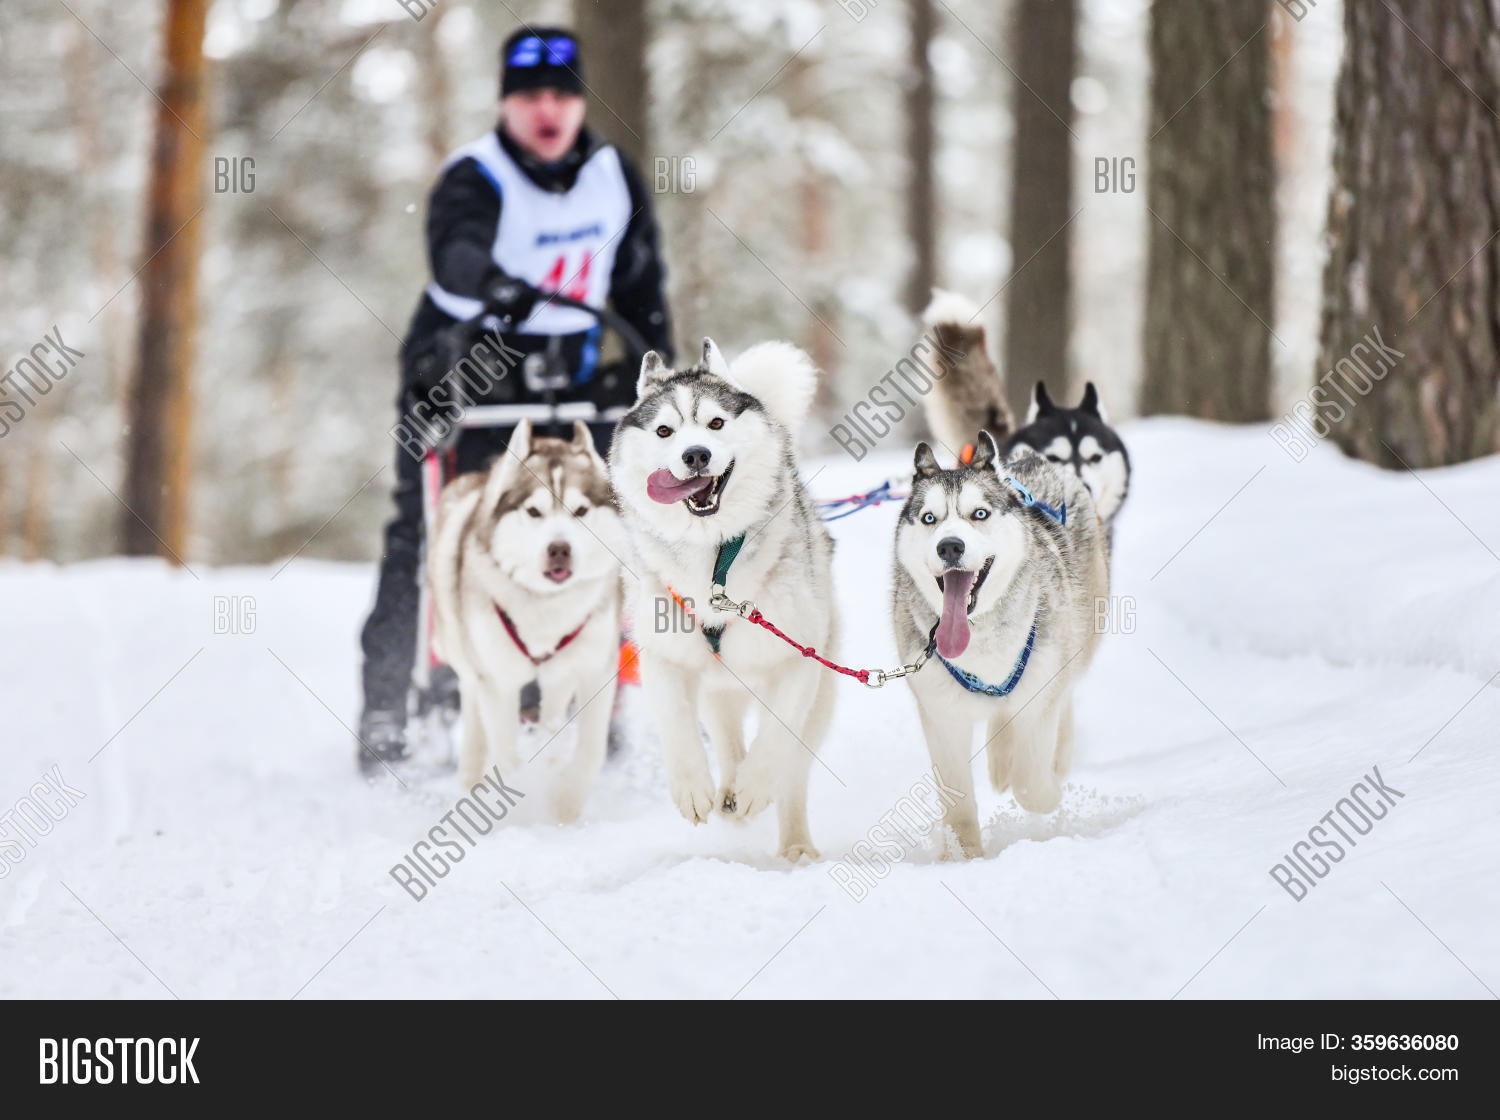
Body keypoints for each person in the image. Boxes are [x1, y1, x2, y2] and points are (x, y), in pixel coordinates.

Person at [358, 25, 674, 771]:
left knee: (602, 528)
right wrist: (498, 288)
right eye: (530, 96)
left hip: (576, 373)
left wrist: (657, 380)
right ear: (506, 104)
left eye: (561, 94)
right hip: (465, 375)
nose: (547, 110)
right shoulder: (474, 175)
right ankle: (391, 703)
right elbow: (458, 252)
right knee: (429, 531)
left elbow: (641, 287)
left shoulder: (611, 175)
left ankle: (599, 686)